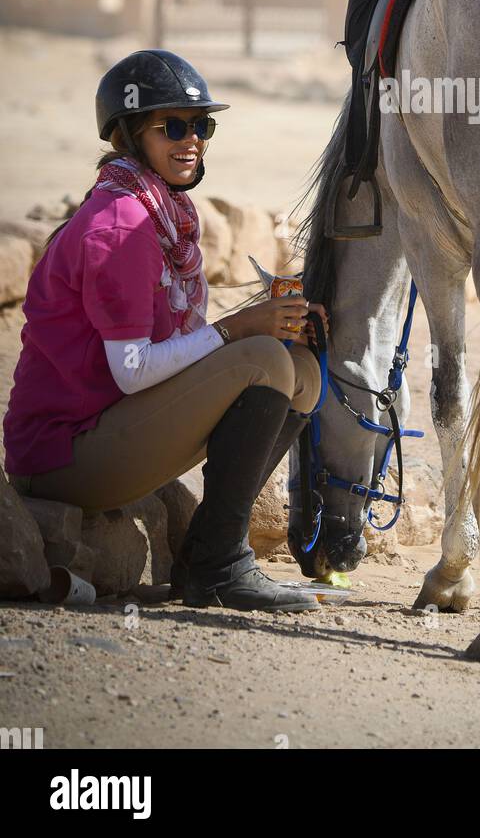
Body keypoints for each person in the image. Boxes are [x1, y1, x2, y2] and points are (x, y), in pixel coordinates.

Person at [2, 49, 328, 612]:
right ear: (129, 135)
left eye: (202, 125)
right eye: (172, 126)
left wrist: (275, 321)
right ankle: (221, 567)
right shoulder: (119, 225)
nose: (192, 139)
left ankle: (206, 550)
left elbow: (174, 342)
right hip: (63, 458)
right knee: (264, 362)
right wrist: (238, 330)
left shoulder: (163, 214)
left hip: (113, 429)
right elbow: (132, 374)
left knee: (298, 370)